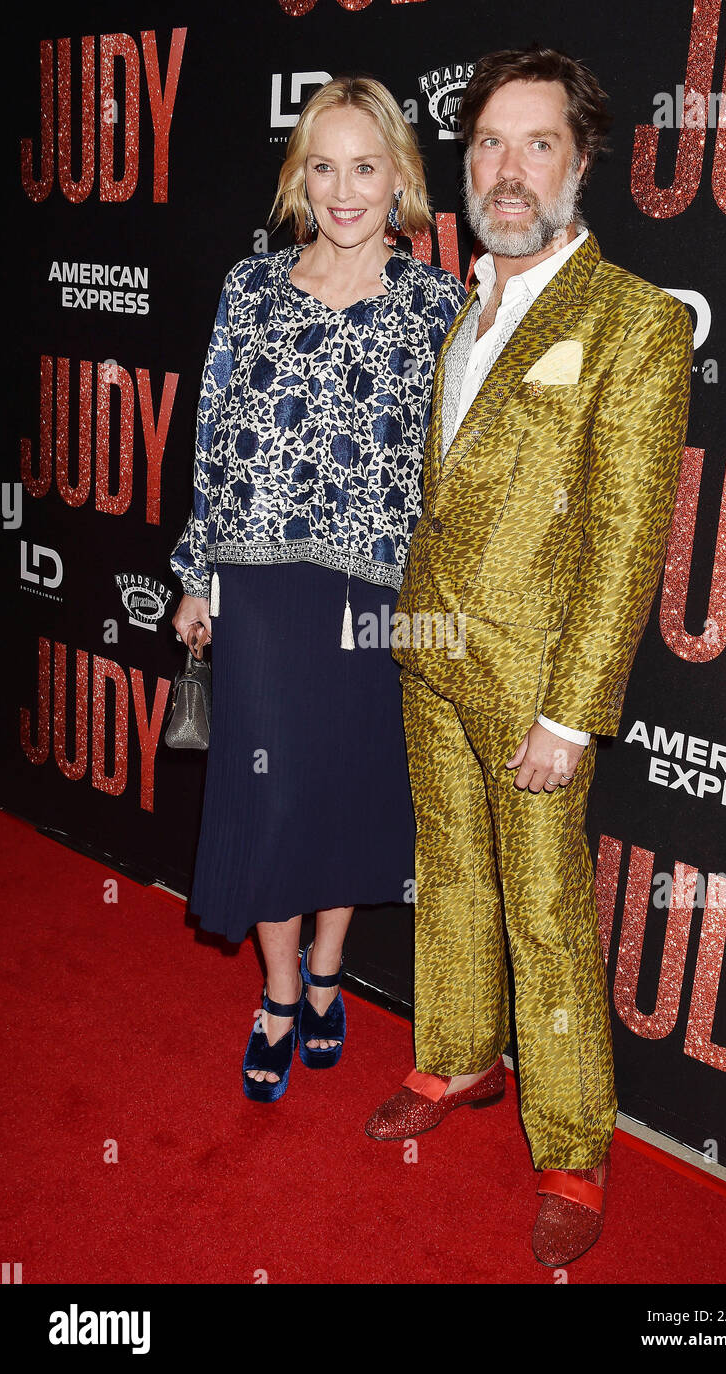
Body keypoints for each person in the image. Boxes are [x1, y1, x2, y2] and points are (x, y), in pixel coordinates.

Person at [365, 47, 694, 1266]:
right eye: (488, 145)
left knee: (547, 910)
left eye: (535, 143)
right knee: (445, 865)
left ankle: (570, 1145)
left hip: (535, 682)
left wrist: (572, 712)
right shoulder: (464, 301)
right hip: (431, 641)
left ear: (580, 159)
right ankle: (455, 1057)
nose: (508, 170)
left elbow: (624, 535)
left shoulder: (634, 322)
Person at [169, 76, 467, 1103]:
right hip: (255, 592)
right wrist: (196, 571)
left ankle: (330, 972)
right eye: (324, 166)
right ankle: (281, 992)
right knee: (267, 797)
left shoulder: (440, 305)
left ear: (399, 180)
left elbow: (454, 474)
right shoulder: (248, 287)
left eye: (365, 167)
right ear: (300, 177)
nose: (344, 191)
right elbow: (208, 435)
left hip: (373, 597)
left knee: (343, 792)